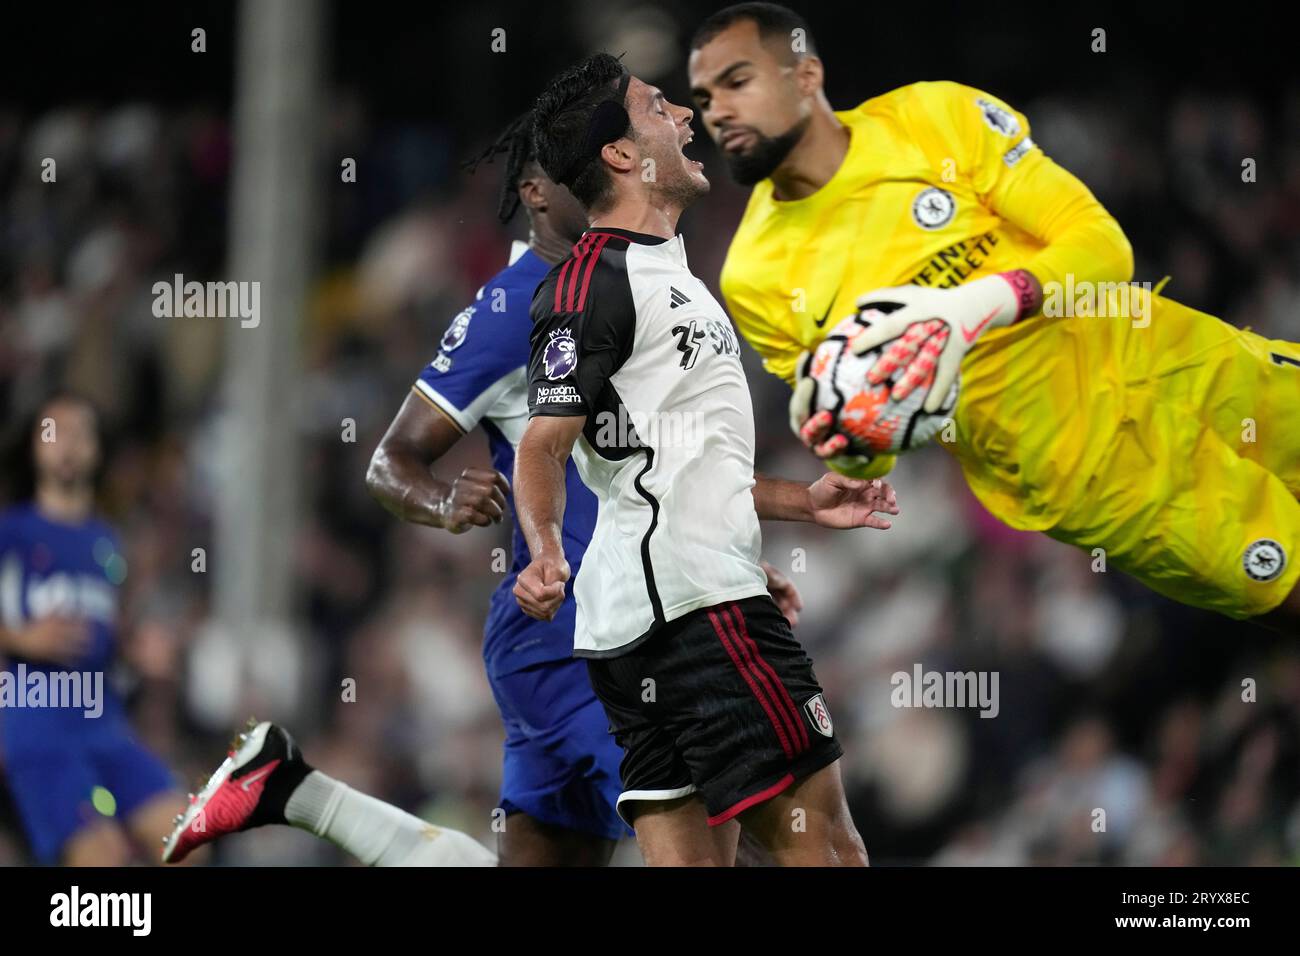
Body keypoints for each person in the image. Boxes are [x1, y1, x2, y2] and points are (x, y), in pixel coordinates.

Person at [163, 117, 804, 867]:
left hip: (619, 617)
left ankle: (293, 790)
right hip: (575, 635)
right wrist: (440, 501)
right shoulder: (516, 309)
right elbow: (391, 459)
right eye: (577, 170)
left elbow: (658, 473)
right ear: (536, 192)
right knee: (729, 836)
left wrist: (726, 564)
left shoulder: (636, 289)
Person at [687, 2, 1300, 633]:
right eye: (704, 97)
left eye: (737, 81)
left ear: (806, 76)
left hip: (1178, 356)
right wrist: (850, 439)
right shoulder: (756, 276)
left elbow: (1102, 247)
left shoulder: (933, 118)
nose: (718, 111)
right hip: (1091, 470)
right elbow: (866, 443)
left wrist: (967, 310)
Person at [514, 52, 900, 866]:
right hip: (696, 614)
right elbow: (543, 444)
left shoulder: (665, 272)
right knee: (829, 850)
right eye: (659, 108)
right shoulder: (593, 281)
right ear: (620, 154)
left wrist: (804, 504)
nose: (687, 117)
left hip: (655, 618)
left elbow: (667, 458)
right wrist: (546, 550)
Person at [0, 392, 197, 865]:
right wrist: (21, 639)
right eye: (53, 432)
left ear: (97, 449)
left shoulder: (107, 541)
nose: (66, 444)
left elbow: (112, 629)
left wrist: (137, 651)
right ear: (33, 446)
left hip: (103, 723)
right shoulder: (11, 531)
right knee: (100, 858)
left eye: (79, 433)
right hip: (36, 723)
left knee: (187, 835)